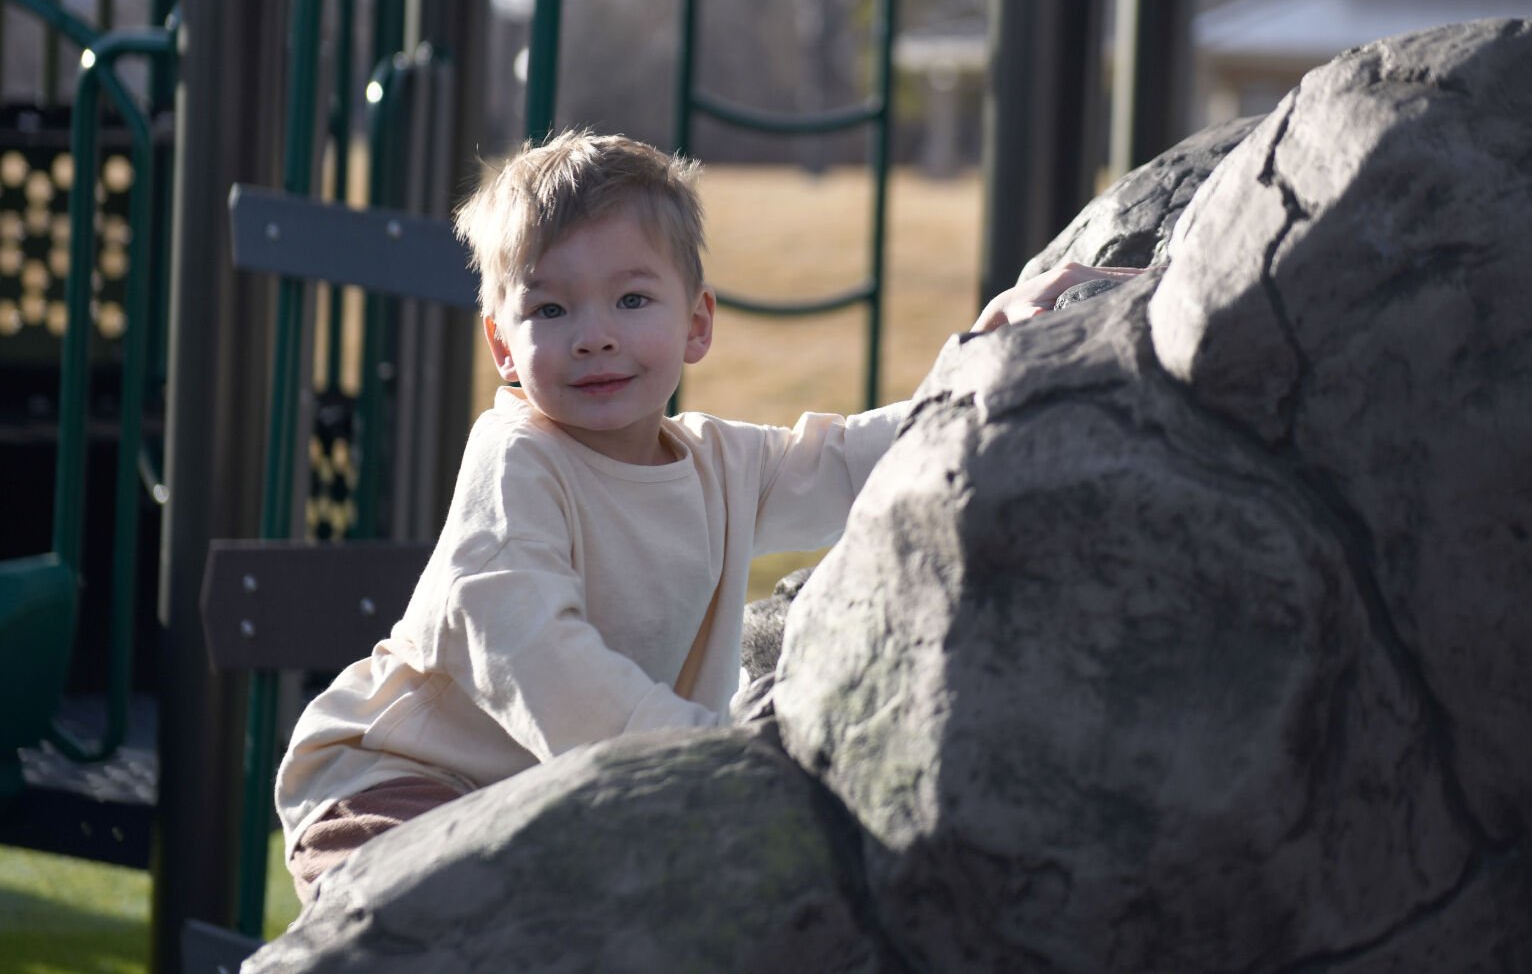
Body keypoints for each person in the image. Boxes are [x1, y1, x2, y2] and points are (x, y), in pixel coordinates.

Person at [273, 129, 1134, 903]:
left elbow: (850, 461)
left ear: (697, 322)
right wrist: (711, 751)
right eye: (549, 308)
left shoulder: (719, 461)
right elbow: (527, 647)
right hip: (400, 781)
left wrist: (990, 358)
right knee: (425, 921)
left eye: (632, 300)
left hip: (556, 793)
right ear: (502, 345)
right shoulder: (517, 462)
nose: (593, 335)